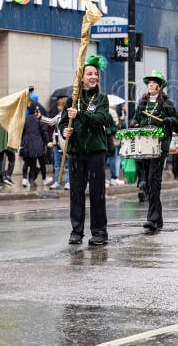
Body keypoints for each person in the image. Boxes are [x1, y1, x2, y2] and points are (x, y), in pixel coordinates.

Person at [59, 55, 115, 245]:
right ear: (81, 77)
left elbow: (101, 118)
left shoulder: (102, 98)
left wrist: (81, 114)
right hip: (76, 152)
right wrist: (64, 131)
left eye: (96, 74)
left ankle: (99, 232)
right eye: (89, 73)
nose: (93, 77)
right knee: (76, 193)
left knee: (97, 193)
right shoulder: (71, 100)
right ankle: (76, 230)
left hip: (95, 152)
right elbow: (63, 122)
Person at [130, 70, 178, 233]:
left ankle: (152, 219)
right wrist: (133, 122)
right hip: (143, 146)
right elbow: (136, 119)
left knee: (153, 179)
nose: (150, 85)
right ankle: (158, 218)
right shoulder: (142, 103)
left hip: (160, 146)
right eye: (149, 83)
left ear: (159, 87)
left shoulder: (167, 104)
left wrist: (170, 120)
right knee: (148, 181)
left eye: (154, 83)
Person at [39, 97, 70, 190]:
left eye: (59, 105)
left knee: (67, 164)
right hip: (56, 143)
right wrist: (40, 117)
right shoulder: (59, 115)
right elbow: (51, 122)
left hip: (64, 143)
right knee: (57, 164)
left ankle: (68, 182)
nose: (57, 107)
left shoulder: (69, 116)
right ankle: (57, 181)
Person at [20, 98, 49, 188]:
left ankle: (25, 179)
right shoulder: (39, 120)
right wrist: (47, 142)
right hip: (38, 146)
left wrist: (22, 142)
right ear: (36, 111)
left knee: (28, 163)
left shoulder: (25, 120)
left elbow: (21, 132)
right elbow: (44, 132)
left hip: (26, 145)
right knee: (41, 163)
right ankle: (43, 179)